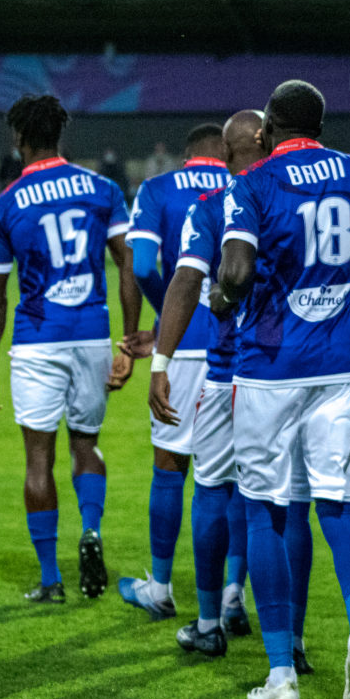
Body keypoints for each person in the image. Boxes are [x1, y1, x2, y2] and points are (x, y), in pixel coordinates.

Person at [217, 80, 350, 699]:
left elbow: (234, 270)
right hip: (340, 366)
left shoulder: (253, 183)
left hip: (270, 366)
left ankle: (281, 672)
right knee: (342, 512)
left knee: (266, 511)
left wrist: (224, 300)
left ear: (266, 128)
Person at [0, 94, 142, 604]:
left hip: (37, 341)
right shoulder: (102, 189)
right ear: (59, 136)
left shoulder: (5, 205)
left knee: (37, 460)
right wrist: (130, 340)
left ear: (19, 140)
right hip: (92, 335)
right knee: (85, 444)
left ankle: (51, 579)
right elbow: (128, 264)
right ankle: (90, 530)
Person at [148, 109, 265, 658]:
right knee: (270, 496)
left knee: (203, 482)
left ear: (224, 148)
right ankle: (277, 631)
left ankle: (204, 614)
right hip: (282, 370)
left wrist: (158, 353)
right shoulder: (289, 196)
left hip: (217, 366)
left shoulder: (201, 203)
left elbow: (164, 270)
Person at [116, 124, 230, 622]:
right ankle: (233, 596)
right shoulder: (248, 185)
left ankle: (160, 587)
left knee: (170, 464)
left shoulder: (158, 189)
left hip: (182, 349)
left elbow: (141, 265)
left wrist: (169, 320)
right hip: (238, 345)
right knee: (233, 475)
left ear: (187, 154)